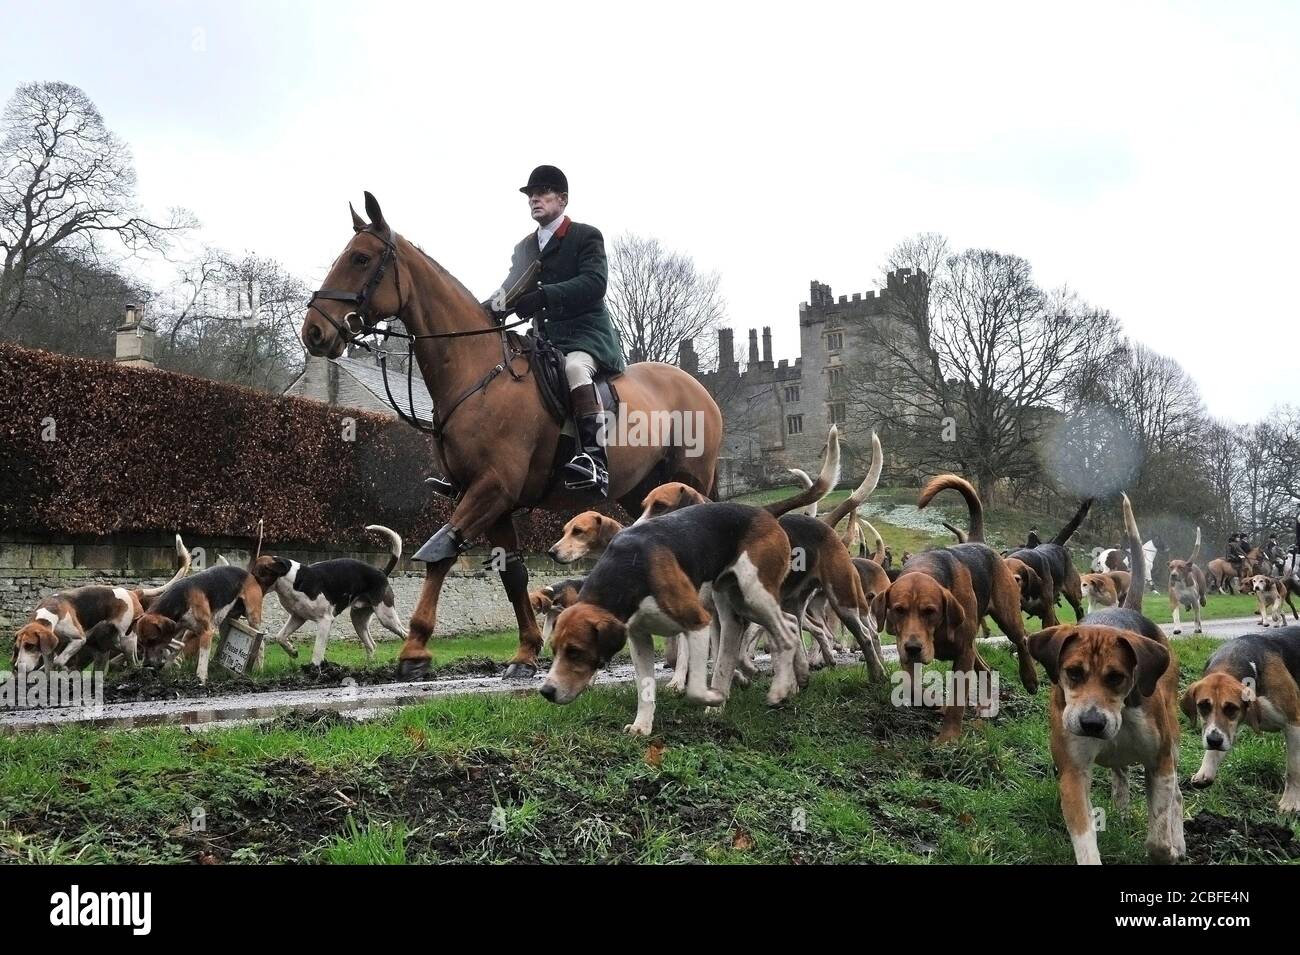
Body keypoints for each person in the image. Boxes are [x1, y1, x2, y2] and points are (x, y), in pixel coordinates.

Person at [487, 165, 625, 497]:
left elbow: (595, 284)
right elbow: (510, 288)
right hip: (544, 342)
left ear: (562, 200)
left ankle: (595, 460)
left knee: (575, 369)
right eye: (531, 194)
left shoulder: (585, 236)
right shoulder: (524, 248)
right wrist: (484, 311)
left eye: (543, 191)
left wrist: (545, 295)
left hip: (585, 336)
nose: (534, 198)